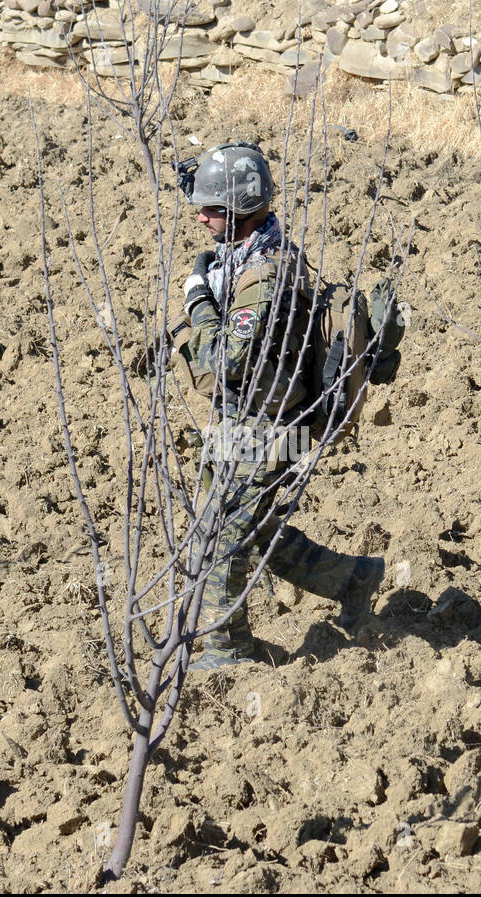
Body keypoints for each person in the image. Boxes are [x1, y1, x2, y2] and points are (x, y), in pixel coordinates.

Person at [172, 142, 385, 670]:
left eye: (213, 210)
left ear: (242, 212)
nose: (201, 217)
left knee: (223, 538)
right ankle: (353, 578)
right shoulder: (243, 257)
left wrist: (198, 302)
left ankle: (227, 650)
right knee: (252, 527)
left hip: (267, 425)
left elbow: (226, 359)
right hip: (245, 418)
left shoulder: (264, 274)